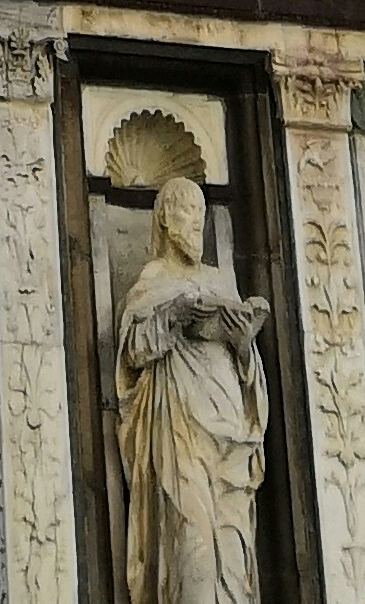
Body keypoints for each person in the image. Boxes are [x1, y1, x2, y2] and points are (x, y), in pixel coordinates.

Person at [113, 178, 270, 604]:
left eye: (201, 214)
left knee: (234, 558)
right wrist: (176, 313)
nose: (197, 223)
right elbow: (132, 352)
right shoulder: (152, 283)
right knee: (192, 551)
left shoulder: (220, 281)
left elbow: (249, 370)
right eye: (187, 212)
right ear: (165, 217)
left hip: (230, 432)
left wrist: (242, 345)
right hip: (179, 434)